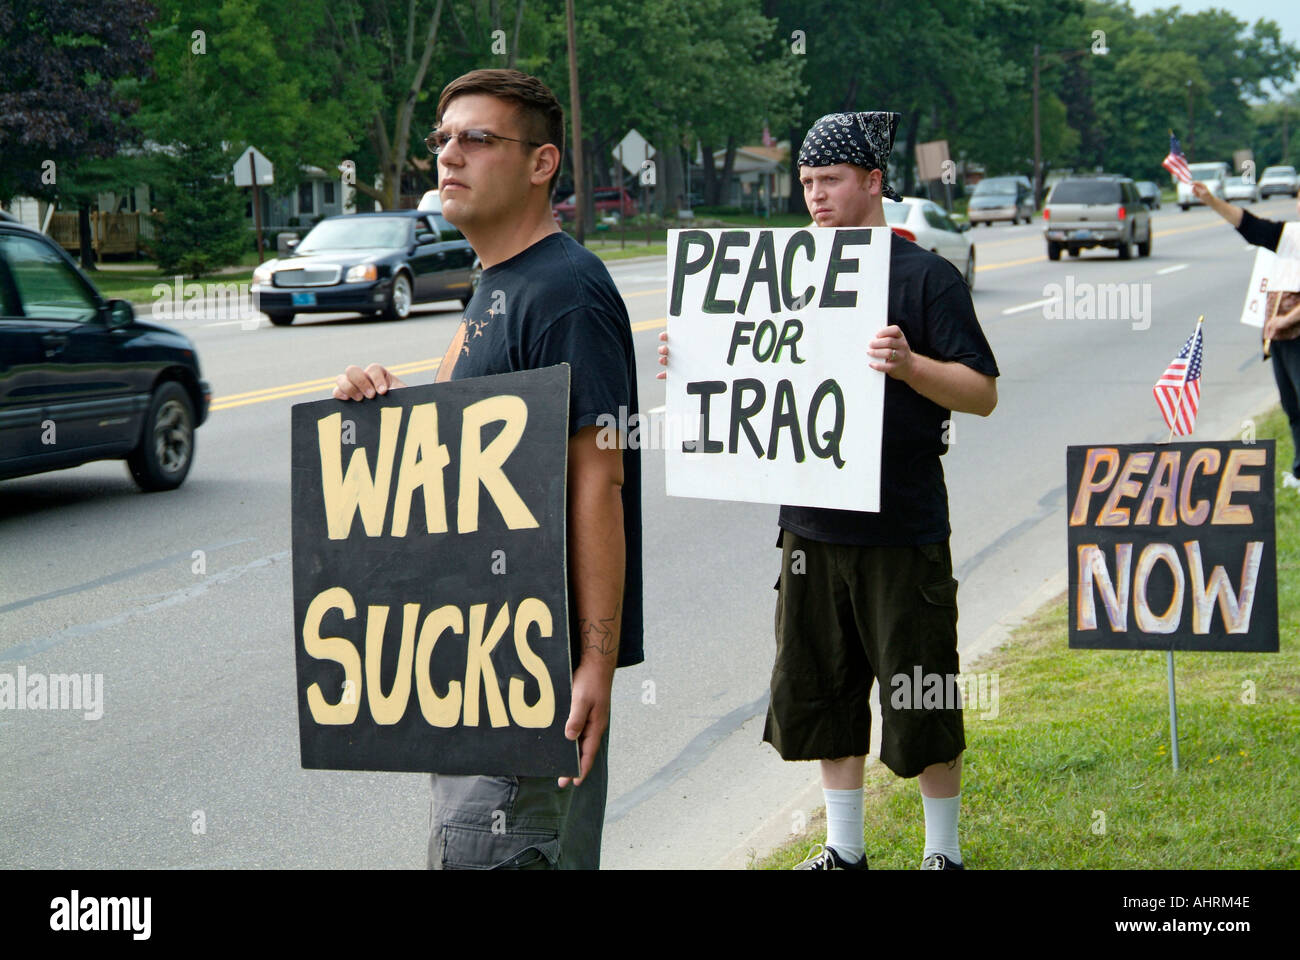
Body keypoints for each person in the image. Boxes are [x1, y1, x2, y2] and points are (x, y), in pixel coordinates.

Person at [658, 111, 998, 870]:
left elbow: (981, 392)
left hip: (902, 528)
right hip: (810, 529)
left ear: (873, 182)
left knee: (920, 697)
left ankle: (943, 854)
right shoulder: (778, 280)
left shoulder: (925, 277)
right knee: (821, 691)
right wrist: (689, 361)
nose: (816, 197)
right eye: (807, 182)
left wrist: (912, 367)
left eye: (831, 181)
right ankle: (844, 849)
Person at [332, 69, 643, 869]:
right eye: (443, 140)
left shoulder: (564, 292)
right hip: (477, 670)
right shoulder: (501, 286)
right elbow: (474, 470)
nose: (449, 156)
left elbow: (597, 481)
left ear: (541, 164)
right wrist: (384, 411)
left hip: (528, 682)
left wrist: (595, 667)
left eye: (478, 139)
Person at [1193, 179, 1300, 489]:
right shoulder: (1290, 235)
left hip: (1291, 332)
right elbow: (1249, 226)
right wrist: (1211, 201)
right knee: (1292, 407)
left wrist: (1286, 319)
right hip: (1281, 339)